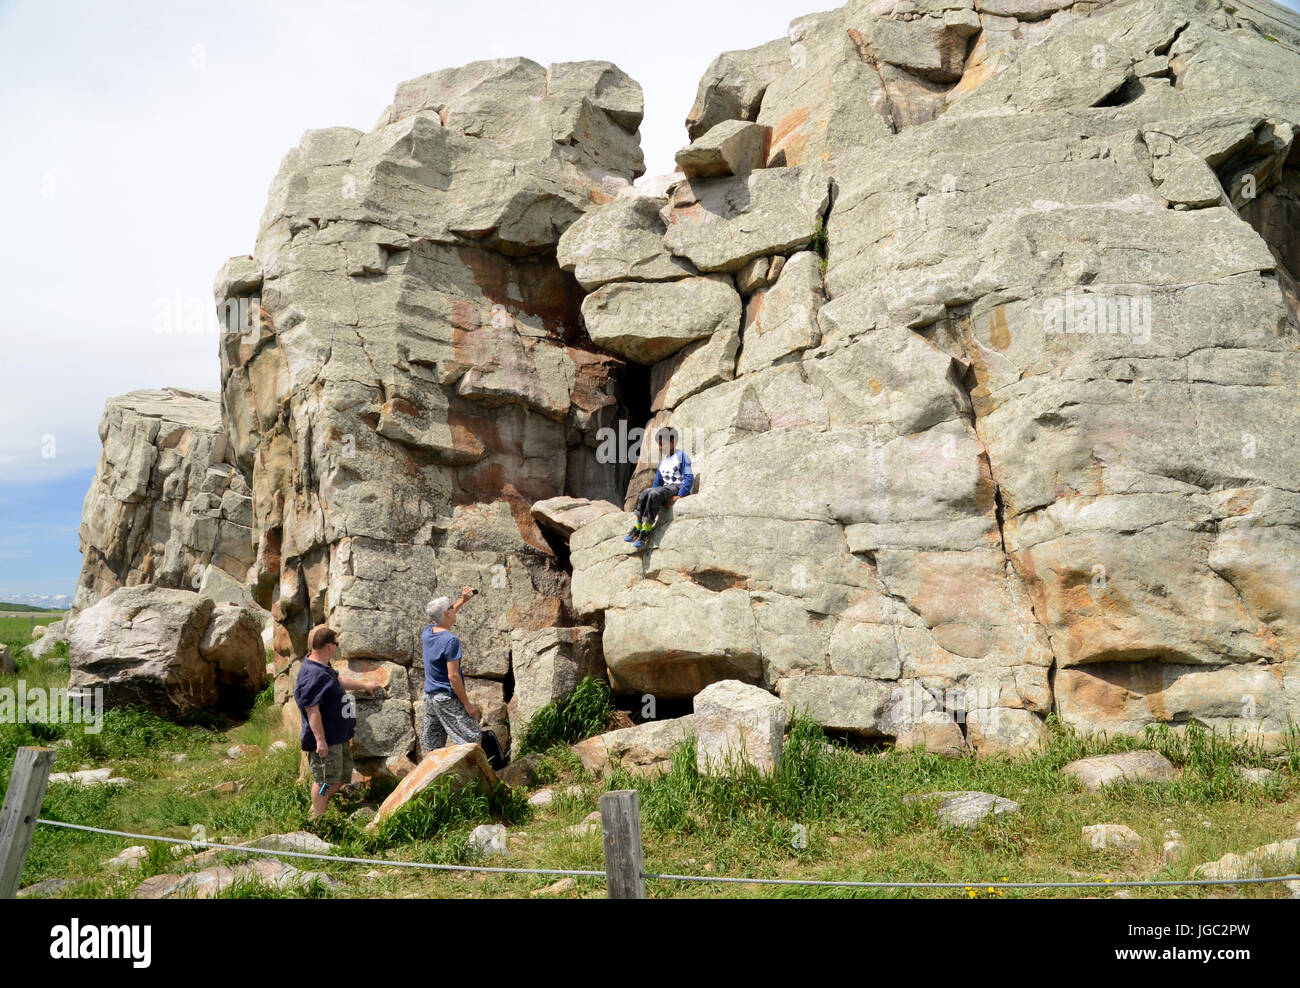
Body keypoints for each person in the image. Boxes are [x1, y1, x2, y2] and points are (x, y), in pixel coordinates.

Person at [294, 625, 374, 819]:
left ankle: (317, 806)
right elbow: (312, 710)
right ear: (329, 646)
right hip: (326, 741)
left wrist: (365, 685)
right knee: (324, 782)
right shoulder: (313, 674)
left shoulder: (323, 667)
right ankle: (318, 817)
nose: (337, 648)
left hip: (338, 737)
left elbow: (339, 681)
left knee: (338, 779)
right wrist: (320, 741)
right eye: (336, 644)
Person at [420, 587, 484, 753]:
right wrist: (467, 705)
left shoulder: (428, 632)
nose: (453, 609)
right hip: (446, 699)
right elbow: (453, 677)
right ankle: (479, 777)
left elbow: (443, 615)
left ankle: (432, 777)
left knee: (433, 747)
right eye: (451, 607)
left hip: (429, 698)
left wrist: (463, 600)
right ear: (447, 614)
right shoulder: (451, 640)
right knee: (472, 739)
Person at [625, 426, 694, 550]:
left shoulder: (681, 456)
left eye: (663, 444)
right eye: (659, 445)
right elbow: (658, 482)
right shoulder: (663, 461)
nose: (661, 448)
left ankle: (646, 530)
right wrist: (651, 492)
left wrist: (681, 495)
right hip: (665, 490)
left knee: (654, 493)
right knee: (645, 493)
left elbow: (689, 477)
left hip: (676, 487)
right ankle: (638, 525)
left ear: (673, 442)